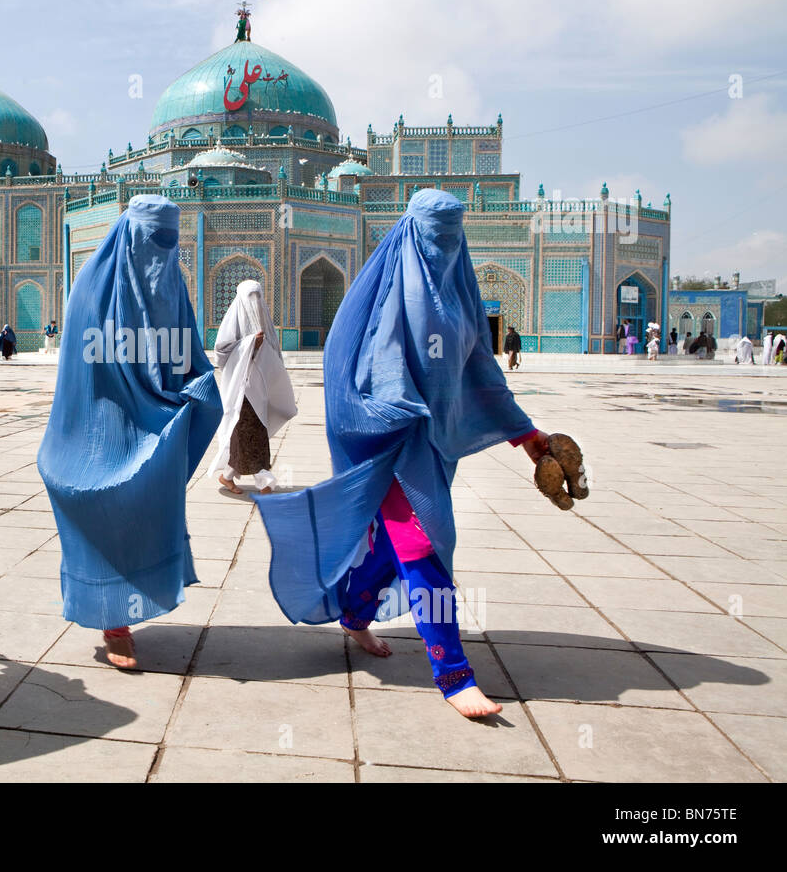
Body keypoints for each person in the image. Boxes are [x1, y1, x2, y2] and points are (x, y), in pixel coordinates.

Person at [256, 190, 550, 720]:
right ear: (414, 231)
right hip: (389, 439)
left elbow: (481, 366)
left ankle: (354, 611)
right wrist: (393, 410)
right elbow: (359, 362)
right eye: (436, 234)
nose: (445, 245)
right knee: (426, 543)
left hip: (432, 445)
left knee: (397, 546)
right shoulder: (382, 293)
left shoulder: (459, 293)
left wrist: (524, 434)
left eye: (453, 235)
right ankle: (454, 674)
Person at [38, 195, 222, 670]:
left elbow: (186, 353)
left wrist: (192, 394)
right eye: (154, 240)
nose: (162, 252)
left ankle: (128, 609)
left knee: (146, 514)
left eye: (171, 242)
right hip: (100, 426)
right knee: (103, 512)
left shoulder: (172, 285)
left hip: (155, 421)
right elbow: (81, 374)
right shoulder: (90, 290)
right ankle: (113, 620)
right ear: (129, 236)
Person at [211, 280, 296, 495]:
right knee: (249, 434)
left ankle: (227, 475)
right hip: (241, 390)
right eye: (251, 297)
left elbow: (274, 352)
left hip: (261, 389)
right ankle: (265, 481)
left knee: (247, 436)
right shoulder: (233, 320)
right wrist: (249, 344)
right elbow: (220, 354)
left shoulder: (264, 320)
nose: (255, 302)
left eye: (258, 296)